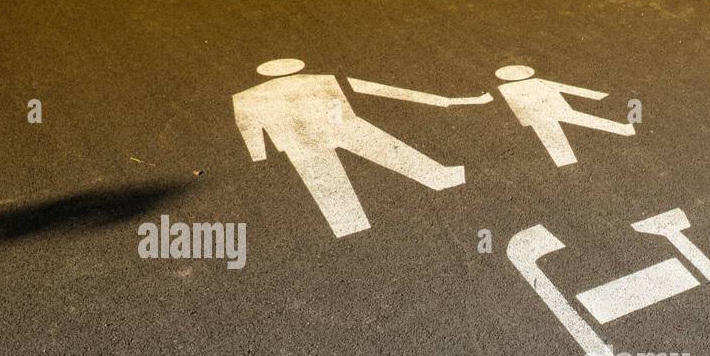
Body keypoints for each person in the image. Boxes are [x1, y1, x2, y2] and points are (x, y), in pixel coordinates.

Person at [232, 58, 489, 237]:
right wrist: (445, 102)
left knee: (333, 194)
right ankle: (442, 177)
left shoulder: (246, 97)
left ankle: (349, 224)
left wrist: (259, 154)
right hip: (344, 125)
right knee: (391, 150)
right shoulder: (323, 78)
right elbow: (375, 89)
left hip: (301, 143)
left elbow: (249, 127)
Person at [494, 65, 635, 167]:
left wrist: (474, 100)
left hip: (535, 116)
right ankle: (623, 129)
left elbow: (486, 99)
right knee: (583, 119)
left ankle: (565, 159)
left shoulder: (505, 87)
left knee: (552, 134)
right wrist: (595, 95)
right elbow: (564, 88)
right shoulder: (535, 81)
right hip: (555, 109)